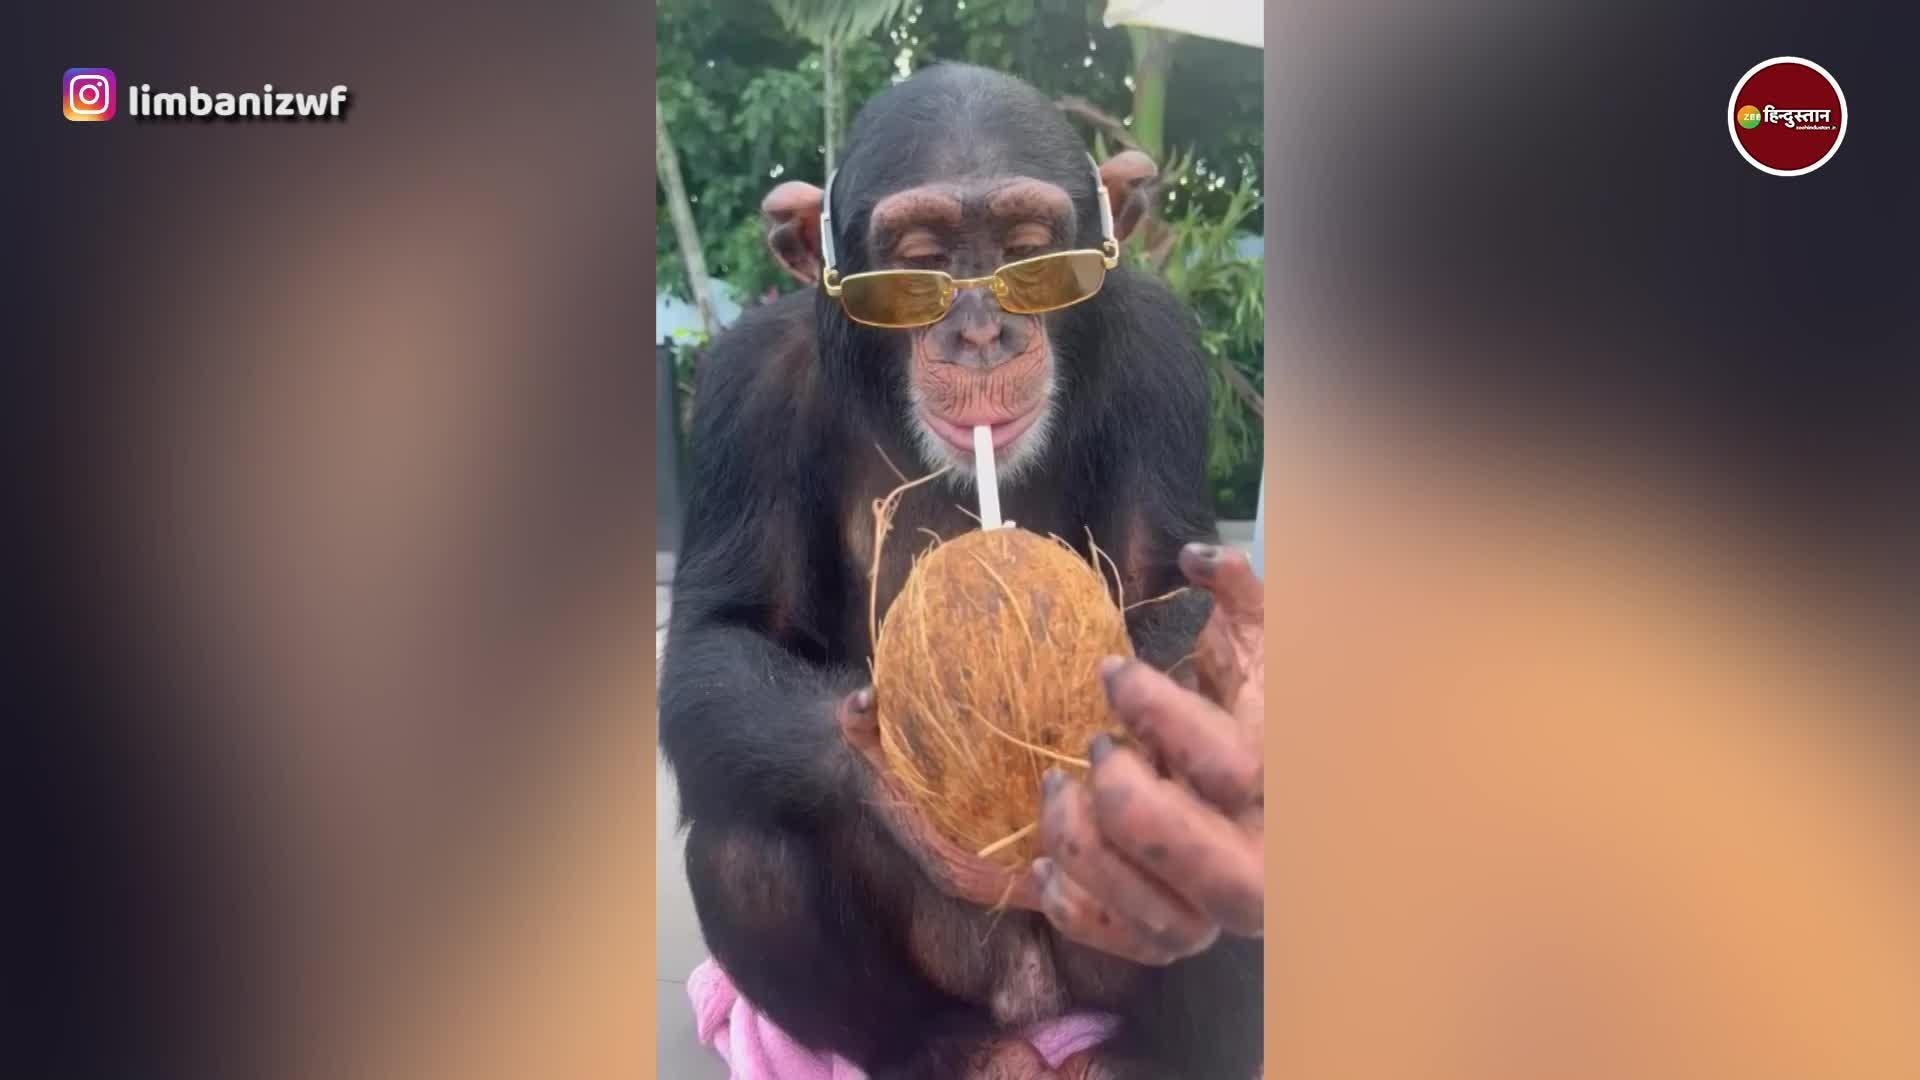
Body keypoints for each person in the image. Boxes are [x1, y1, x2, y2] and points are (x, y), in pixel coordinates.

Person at [841, 541, 1265, 966]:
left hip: (1118, 937)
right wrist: (895, 803)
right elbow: (778, 660)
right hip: (909, 920)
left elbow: (1174, 605)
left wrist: (1201, 696)